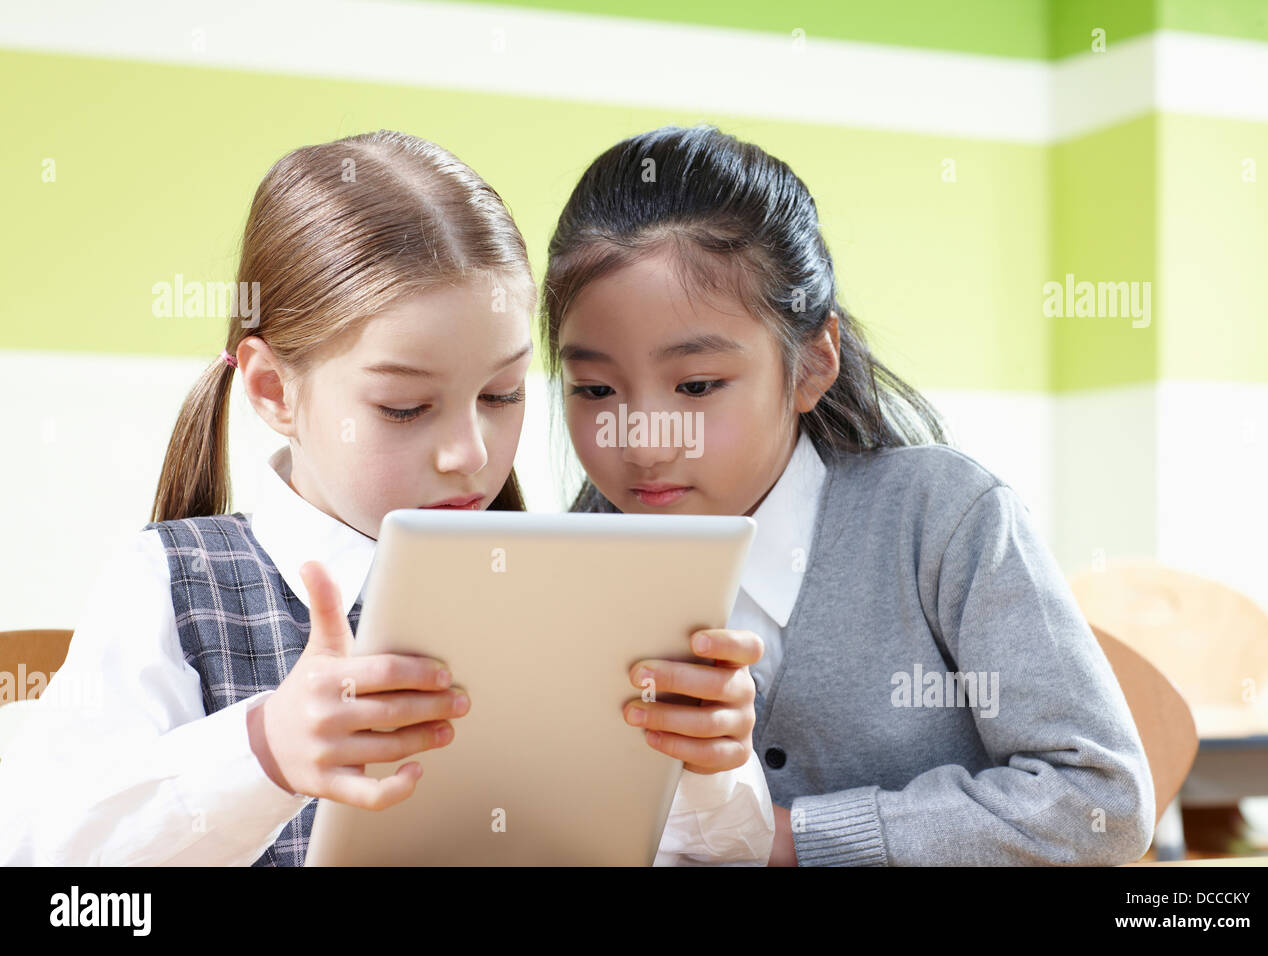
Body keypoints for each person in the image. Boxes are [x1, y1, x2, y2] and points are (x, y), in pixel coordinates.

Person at [0, 129, 773, 866]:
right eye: (405, 407)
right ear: (273, 390)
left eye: (502, 394)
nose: (470, 453)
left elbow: (721, 851)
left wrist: (705, 763)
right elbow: (55, 864)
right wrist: (265, 749)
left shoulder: (566, 586)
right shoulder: (170, 585)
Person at [540, 124, 1156, 865]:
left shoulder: (941, 519)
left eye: (698, 386)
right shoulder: (573, 558)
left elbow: (1101, 802)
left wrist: (789, 839)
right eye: (596, 389)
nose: (642, 440)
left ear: (811, 363)